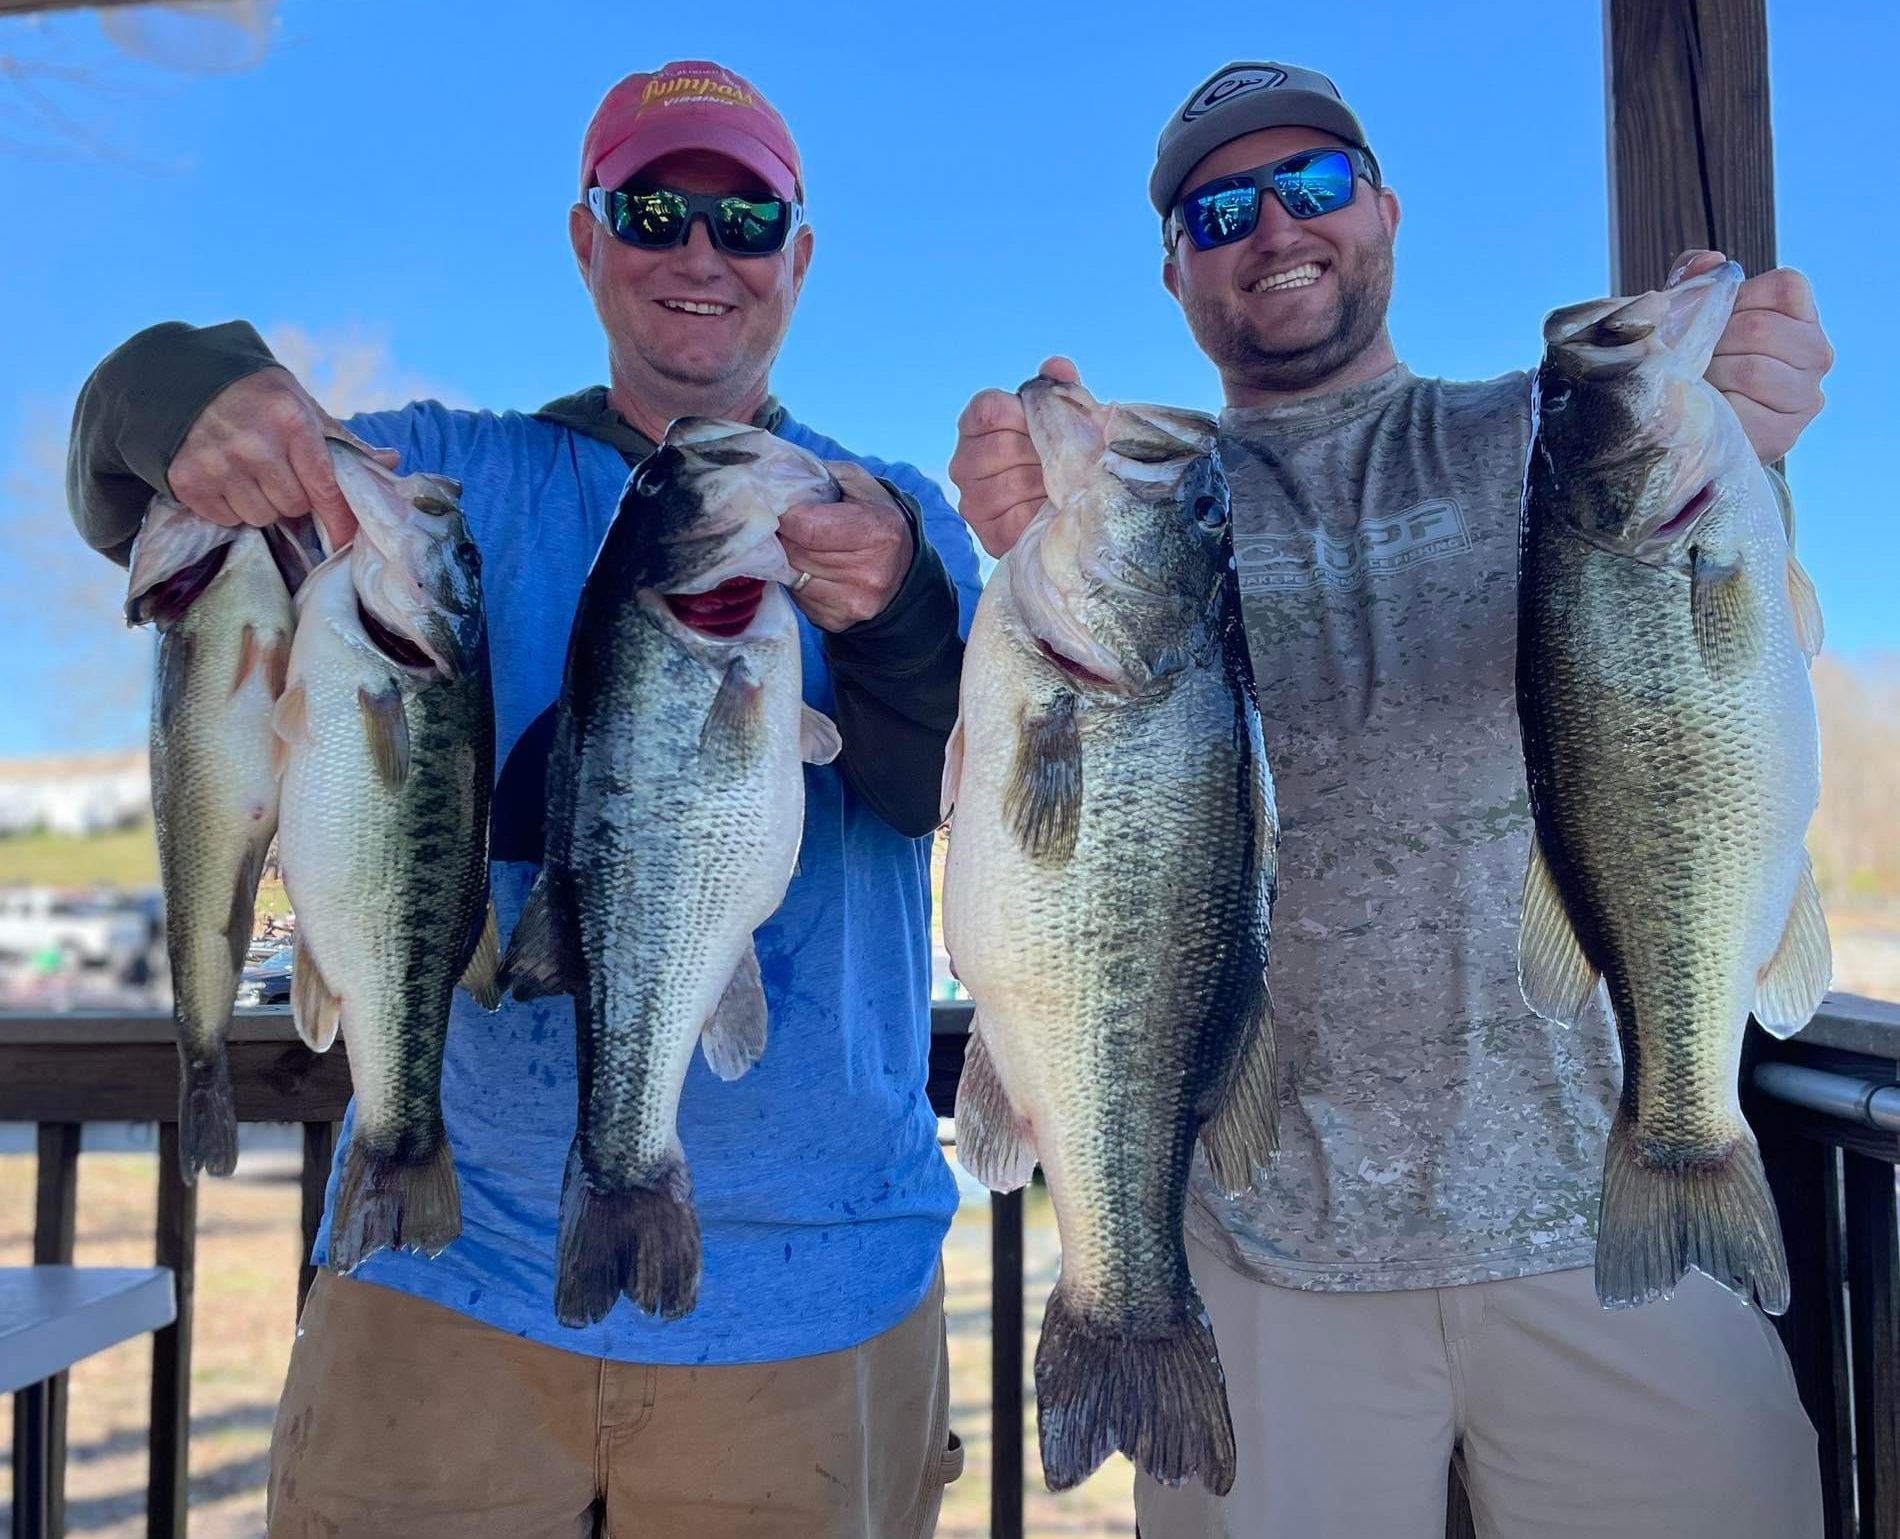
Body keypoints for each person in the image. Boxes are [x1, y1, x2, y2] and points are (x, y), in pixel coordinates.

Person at [69, 59, 974, 1539]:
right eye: (656, 208)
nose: (701, 250)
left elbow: (919, 785)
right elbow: (127, 478)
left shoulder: (886, 517)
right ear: (586, 240)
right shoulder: (430, 481)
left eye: (745, 220)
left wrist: (899, 612)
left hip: (818, 1296)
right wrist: (185, 390)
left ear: (799, 259)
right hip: (439, 1289)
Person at [950, 59, 1834, 1539]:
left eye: (1314, 186)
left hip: (1608, 1199)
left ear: (1386, 212)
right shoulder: (1160, 502)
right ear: (1174, 270)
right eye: (1218, 208)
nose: (1272, 228)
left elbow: (1724, 664)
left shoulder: (1546, 439)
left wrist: (1752, 418)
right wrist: (1031, 535)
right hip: (1255, 1250)